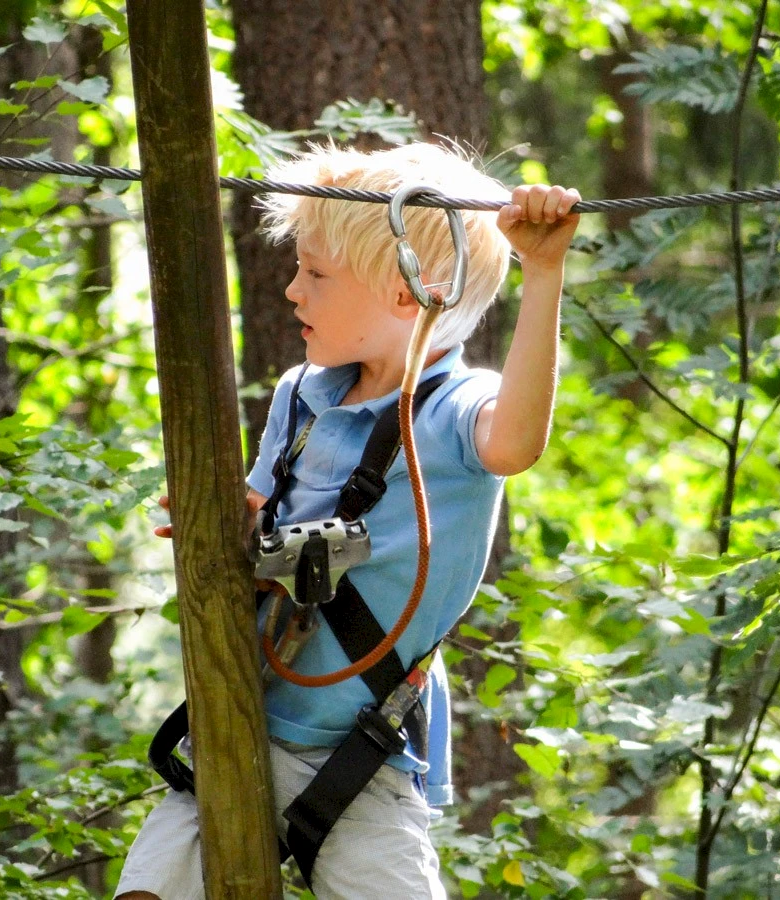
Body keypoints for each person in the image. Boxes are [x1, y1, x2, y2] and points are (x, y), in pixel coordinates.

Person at [115, 142, 580, 900]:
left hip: (360, 755)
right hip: (246, 717)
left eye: (316, 275)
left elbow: (517, 442)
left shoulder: (456, 411)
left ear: (409, 296)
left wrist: (545, 275)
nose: (292, 291)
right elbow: (261, 524)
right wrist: (227, 520)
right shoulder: (303, 394)